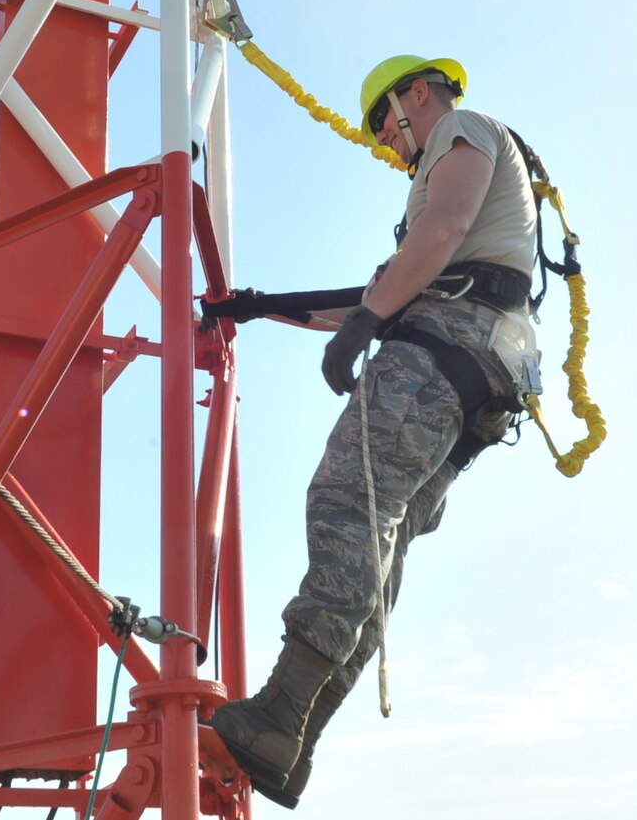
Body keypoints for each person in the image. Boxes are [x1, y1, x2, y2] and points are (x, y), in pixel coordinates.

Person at [199, 55, 538, 809]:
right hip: (479, 374)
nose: (385, 138)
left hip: (445, 348)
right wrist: (261, 306)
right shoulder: (464, 192)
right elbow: (385, 288)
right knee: (379, 546)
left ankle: (280, 715)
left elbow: (442, 231)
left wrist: (367, 323)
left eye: (385, 119)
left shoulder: (461, 128)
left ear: (418, 92)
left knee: (346, 500)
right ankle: (293, 741)